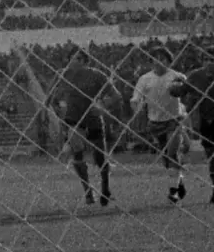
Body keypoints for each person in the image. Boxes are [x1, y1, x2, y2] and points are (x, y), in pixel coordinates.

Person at [50, 48, 116, 206]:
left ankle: (105, 188)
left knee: (100, 158)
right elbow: (52, 96)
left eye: (79, 59)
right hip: (73, 121)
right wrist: (56, 108)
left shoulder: (97, 75)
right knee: (77, 155)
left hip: (93, 120)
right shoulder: (63, 74)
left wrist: (103, 107)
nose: (75, 61)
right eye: (72, 58)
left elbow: (115, 96)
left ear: (86, 61)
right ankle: (88, 192)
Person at [130, 46, 189, 204]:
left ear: (169, 61)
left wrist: (183, 90)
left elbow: (187, 93)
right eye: (155, 59)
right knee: (166, 160)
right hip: (154, 123)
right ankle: (179, 182)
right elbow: (135, 99)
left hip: (174, 120)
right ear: (151, 62)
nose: (159, 62)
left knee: (172, 153)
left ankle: (173, 192)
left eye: (163, 59)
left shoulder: (178, 76)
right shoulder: (144, 79)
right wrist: (137, 108)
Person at [170, 50, 214, 204]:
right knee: (210, 155)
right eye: (207, 59)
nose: (210, 62)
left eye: (212, 59)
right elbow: (181, 90)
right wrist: (173, 87)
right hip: (206, 121)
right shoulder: (195, 76)